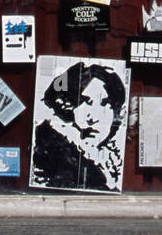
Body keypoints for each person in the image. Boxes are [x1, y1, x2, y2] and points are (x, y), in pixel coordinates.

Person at [31, 61, 127, 192]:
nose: (94, 117)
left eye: (105, 104)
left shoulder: (112, 162)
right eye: (86, 102)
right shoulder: (52, 156)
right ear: (69, 106)